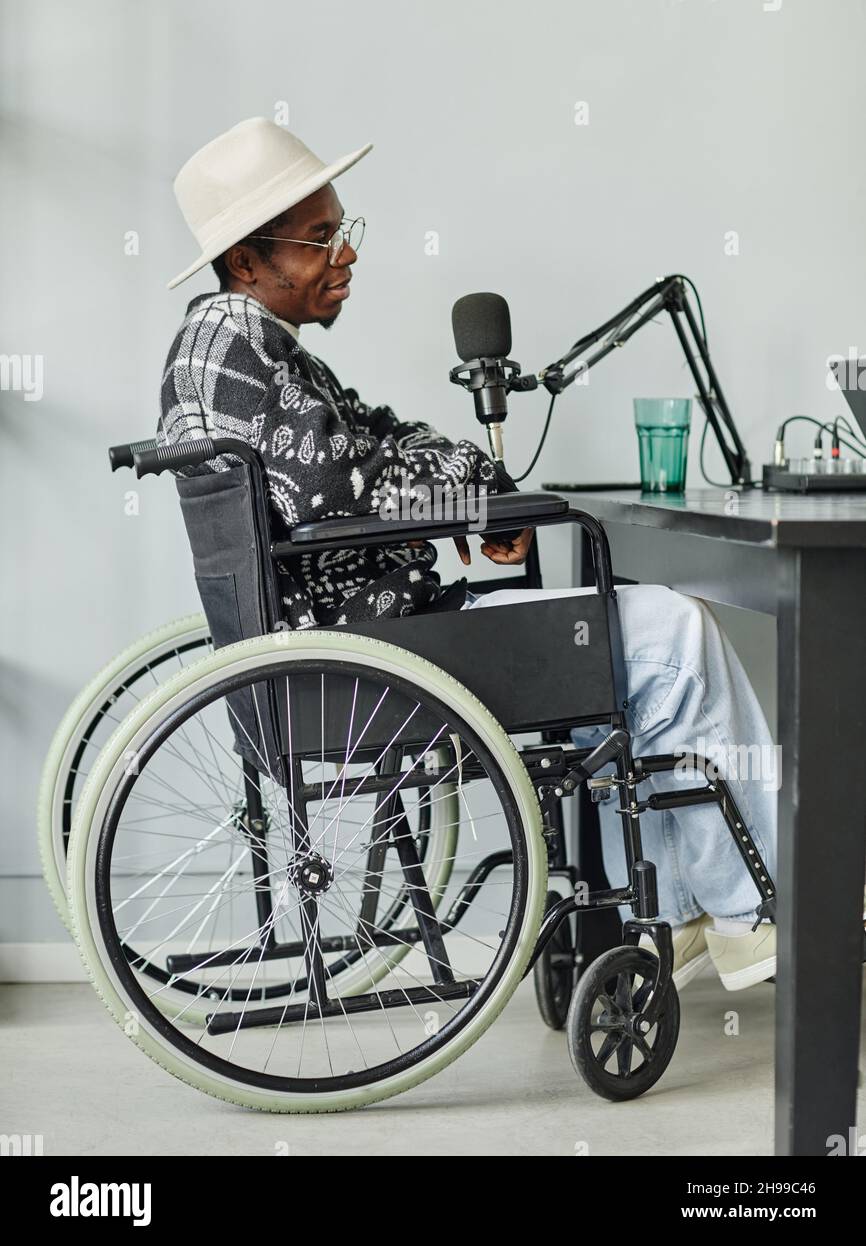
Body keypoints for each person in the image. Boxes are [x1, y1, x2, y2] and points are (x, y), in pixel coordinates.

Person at [160, 116, 778, 991]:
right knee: (674, 634)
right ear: (246, 261)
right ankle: (752, 914)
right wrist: (475, 494)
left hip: (334, 655)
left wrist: (465, 490)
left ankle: (680, 914)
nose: (345, 253)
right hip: (375, 658)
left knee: (623, 666)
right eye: (320, 238)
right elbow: (343, 488)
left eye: (343, 230)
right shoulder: (244, 348)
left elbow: (383, 441)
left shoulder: (229, 348)